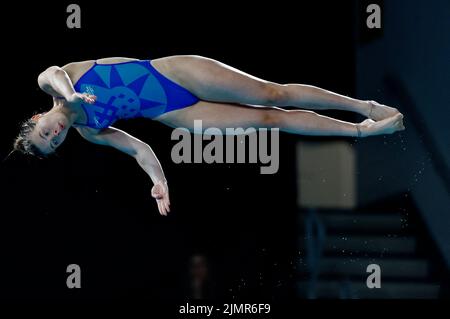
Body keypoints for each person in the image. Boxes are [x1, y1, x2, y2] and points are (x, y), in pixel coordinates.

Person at [13, 55, 405, 215]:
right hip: (175, 112)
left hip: (174, 72)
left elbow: (54, 74)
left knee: (273, 92)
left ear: (37, 117)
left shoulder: (55, 83)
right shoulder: (90, 131)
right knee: (269, 119)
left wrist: (70, 95)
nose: (56, 134)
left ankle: (362, 106)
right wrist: (159, 181)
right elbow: (139, 148)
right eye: (54, 142)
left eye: (46, 132)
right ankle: (360, 130)